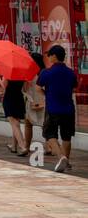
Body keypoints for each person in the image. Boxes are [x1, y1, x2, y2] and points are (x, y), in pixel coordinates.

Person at [37, 44, 77, 173]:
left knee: (49, 134)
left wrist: (47, 95)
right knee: (67, 137)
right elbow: (74, 87)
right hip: (68, 108)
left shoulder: (47, 72)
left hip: (53, 108)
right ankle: (67, 161)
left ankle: (61, 157)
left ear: (54, 56)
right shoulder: (71, 73)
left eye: (49, 55)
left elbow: (38, 88)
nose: (48, 58)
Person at [0, 67, 31, 157]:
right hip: (19, 98)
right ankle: (14, 147)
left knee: (15, 124)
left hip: (9, 98)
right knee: (16, 124)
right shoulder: (23, 73)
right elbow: (25, 89)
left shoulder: (8, 72)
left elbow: (4, 87)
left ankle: (23, 147)